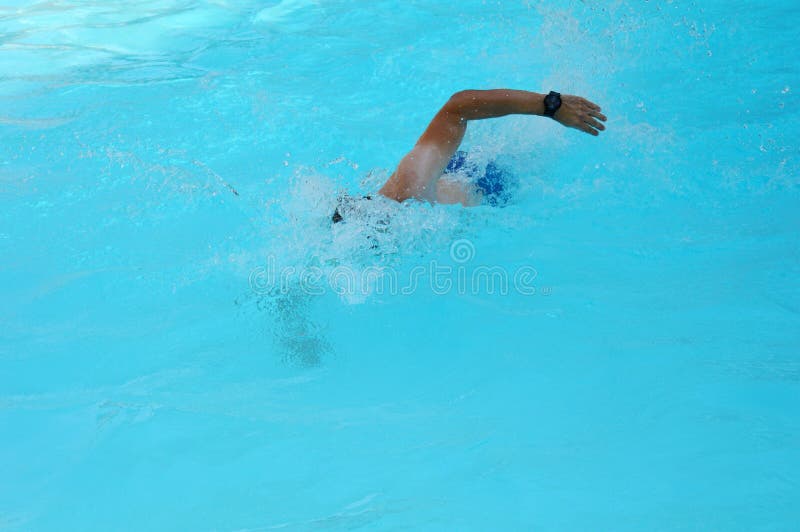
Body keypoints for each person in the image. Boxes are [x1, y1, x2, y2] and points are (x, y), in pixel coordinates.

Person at [332, 89, 606, 222]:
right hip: (445, 174)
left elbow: (459, 106)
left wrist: (551, 106)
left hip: (485, 181)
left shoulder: (410, 186)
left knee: (534, 158)